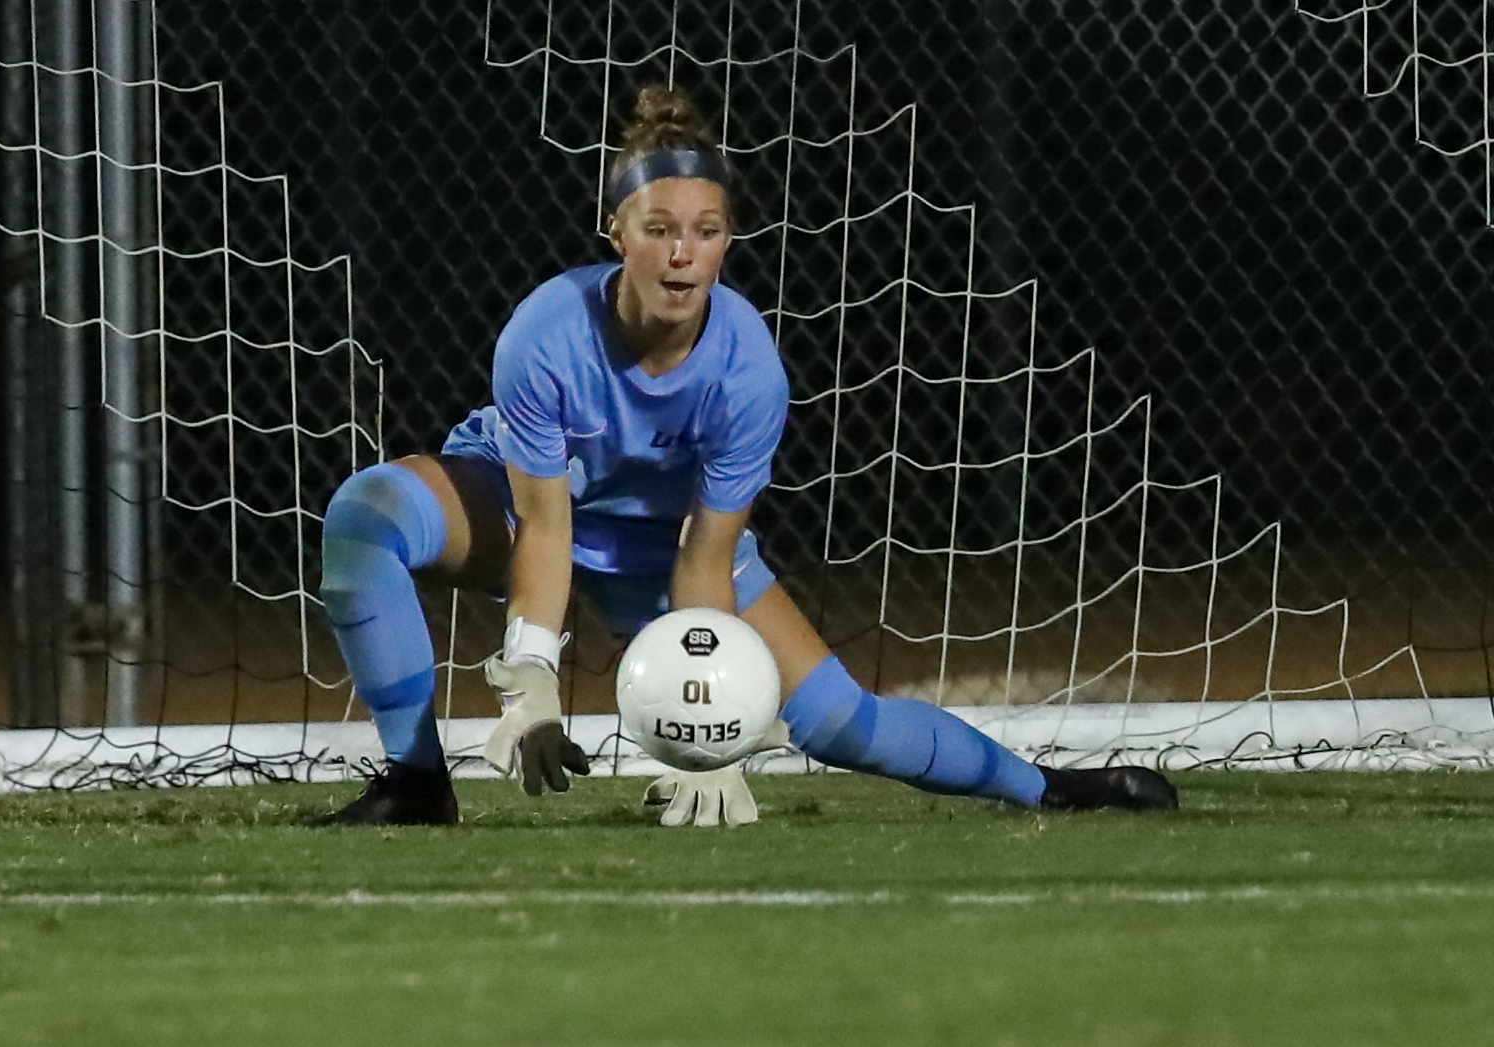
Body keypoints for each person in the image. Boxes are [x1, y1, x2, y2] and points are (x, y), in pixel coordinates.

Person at [314, 85, 1176, 827]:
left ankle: (1050, 790)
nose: (682, 252)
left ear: (729, 240)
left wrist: (713, 738)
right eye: (658, 228)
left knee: (843, 723)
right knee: (365, 518)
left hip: (666, 549)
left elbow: (705, 555)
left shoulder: (750, 371)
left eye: (707, 229)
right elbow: (545, 525)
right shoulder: (544, 332)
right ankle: (419, 780)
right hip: (519, 506)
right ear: (616, 229)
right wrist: (530, 672)